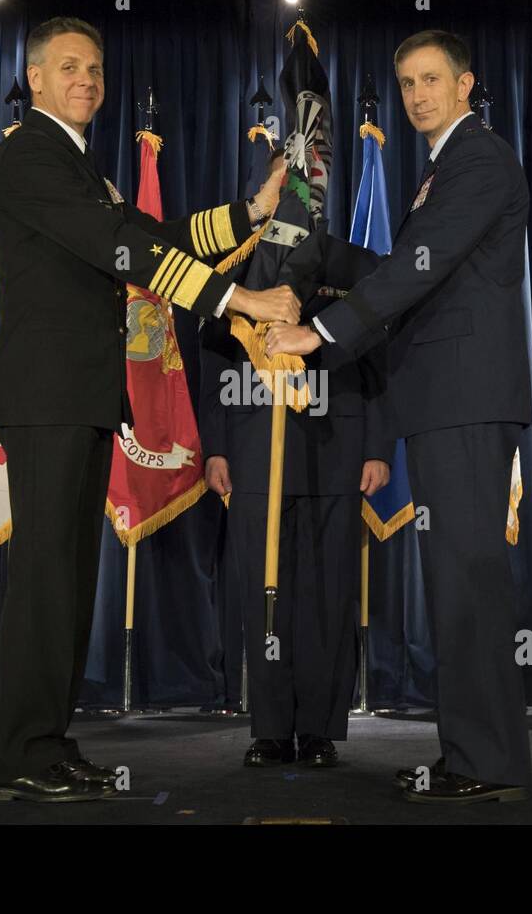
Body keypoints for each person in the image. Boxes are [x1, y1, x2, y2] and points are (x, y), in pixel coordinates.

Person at [0, 16, 297, 804]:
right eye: (69, 67)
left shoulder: (82, 167)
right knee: (46, 581)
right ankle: (18, 752)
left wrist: (248, 214)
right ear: (37, 80)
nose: (87, 79)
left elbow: (151, 233)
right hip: (48, 395)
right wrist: (241, 298)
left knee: (68, 581)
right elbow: (124, 251)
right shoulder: (27, 157)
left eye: (95, 69)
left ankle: (45, 743)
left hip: (80, 396)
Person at [265, 29, 532, 805]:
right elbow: (404, 268)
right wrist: (325, 255)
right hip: (448, 400)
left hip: (467, 400)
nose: (416, 95)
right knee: (459, 581)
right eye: (406, 82)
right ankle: (476, 754)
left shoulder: (477, 157)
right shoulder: (443, 168)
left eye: (429, 80)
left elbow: (420, 268)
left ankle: (485, 761)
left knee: (470, 583)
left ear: (464, 84)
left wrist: (316, 333)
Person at [199, 229, 392, 770]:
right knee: (265, 597)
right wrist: (216, 448)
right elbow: (214, 366)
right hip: (255, 453)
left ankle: (320, 729)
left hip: (338, 451)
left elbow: (378, 356)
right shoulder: (240, 270)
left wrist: (377, 447)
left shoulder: (348, 266)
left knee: (329, 597)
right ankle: (270, 729)